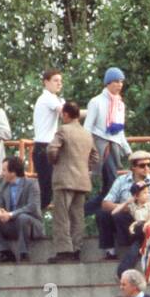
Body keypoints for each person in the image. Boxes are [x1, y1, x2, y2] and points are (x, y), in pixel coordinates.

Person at [47, 101, 96, 262]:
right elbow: (95, 157)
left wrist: (55, 162)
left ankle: (64, 250)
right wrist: (86, 169)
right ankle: (76, 248)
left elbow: (52, 149)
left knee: (62, 216)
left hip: (64, 179)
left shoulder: (63, 130)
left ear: (66, 114)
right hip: (82, 180)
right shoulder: (86, 133)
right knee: (78, 216)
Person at [84, 68, 133, 221]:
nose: (120, 85)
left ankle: (86, 212)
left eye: (121, 82)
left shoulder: (120, 104)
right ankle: (92, 212)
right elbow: (87, 128)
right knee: (113, 183)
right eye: (117, 81)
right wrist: (88, 151)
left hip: (115, 147)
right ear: (108, 83)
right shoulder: (96, 101)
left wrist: (129, 152)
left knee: (108, 188)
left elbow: (120, 132)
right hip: (100, 146)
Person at [0, 157, 43, 263]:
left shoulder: (32, 183)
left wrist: (10, 214)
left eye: (4, 170)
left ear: (13, 172)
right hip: (10, 223)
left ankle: (24, 254)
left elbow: (33, 206)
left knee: (22, 217)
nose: (2, 173)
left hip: (29, 224)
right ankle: (5, 252)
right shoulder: (3, 185)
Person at [31, 69, 64, 211]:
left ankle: (31, 219)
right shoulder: (47, 98)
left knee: (47, 189)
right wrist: (93, 112)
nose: (59, 84)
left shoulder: (54, 98)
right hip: (44, 147)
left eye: (60, 81)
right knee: (46, 189)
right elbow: (67, 113)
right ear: (46, 82)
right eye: (55, 80)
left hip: (47, 146)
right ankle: (27, 216)